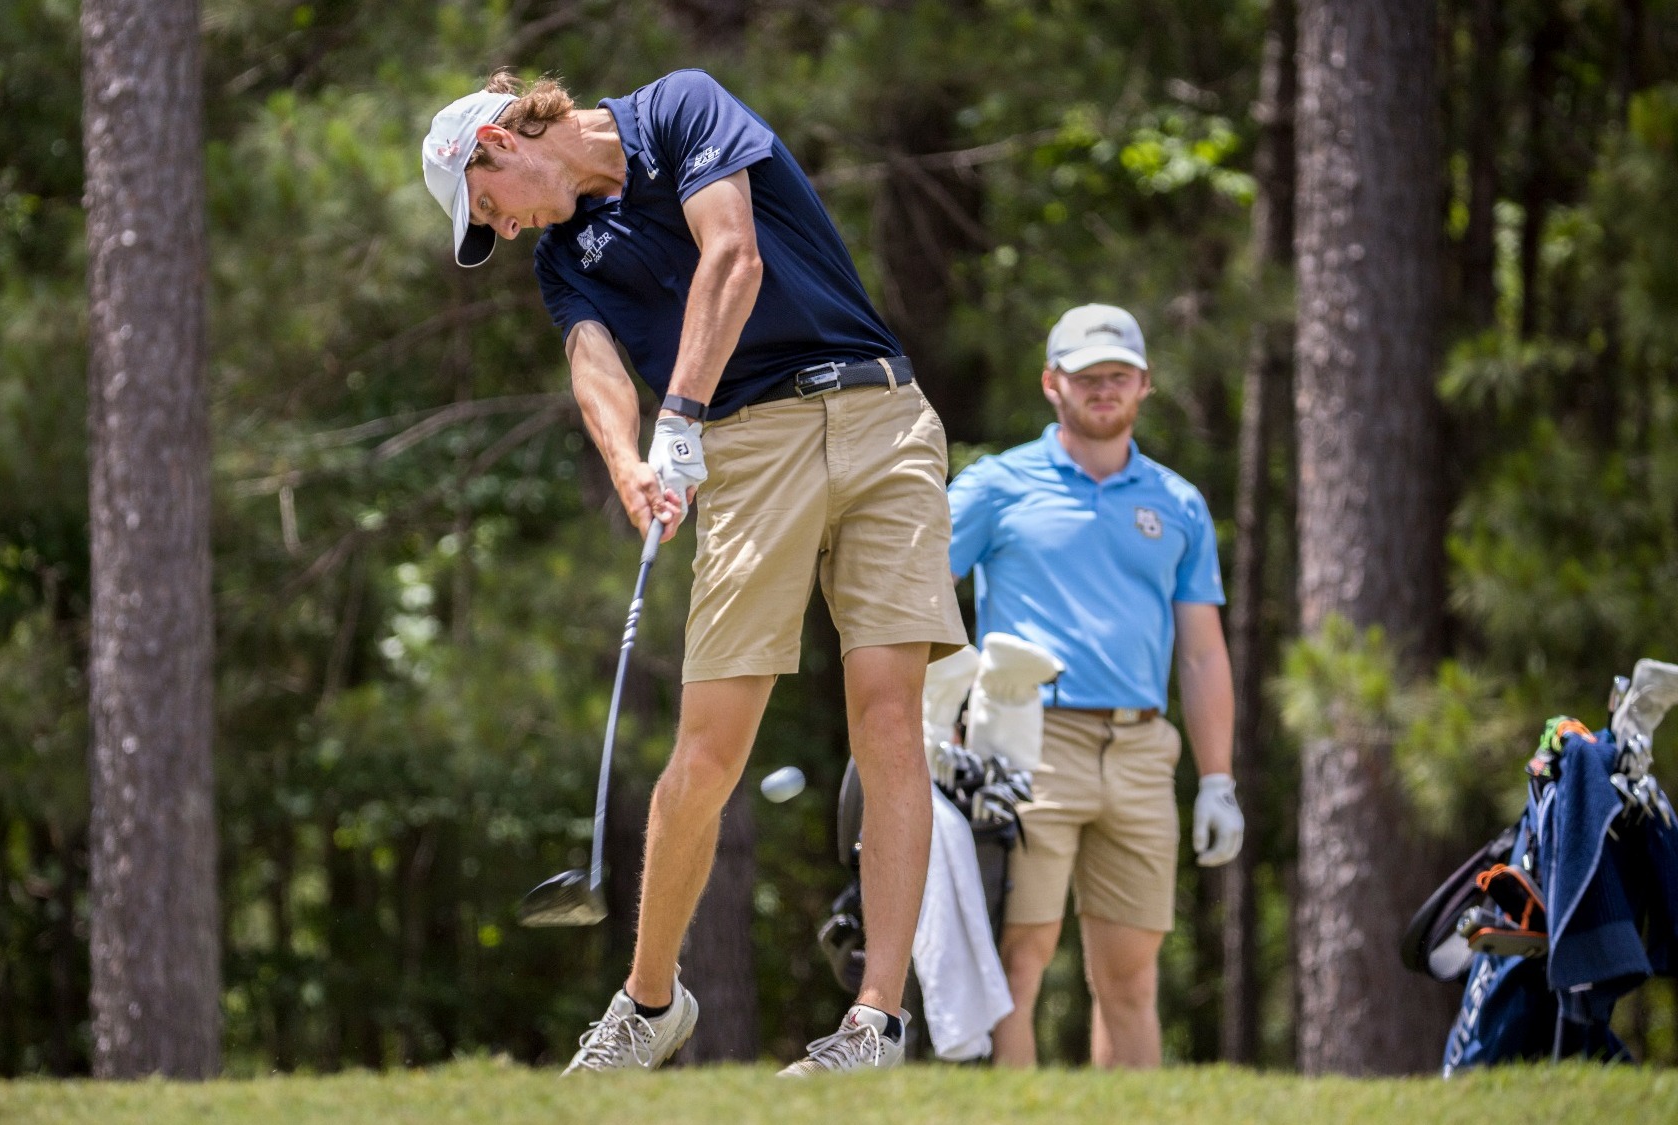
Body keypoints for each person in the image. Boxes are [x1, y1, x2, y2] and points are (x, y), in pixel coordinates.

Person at [420, 69, 967, 1075]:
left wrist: (676, 415)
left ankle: (873, 1023)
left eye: (488, 207)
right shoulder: (562, 259)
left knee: (888, 718)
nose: (498, 229)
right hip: (750, 450)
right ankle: (649, 1001)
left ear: (499, 143)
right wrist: (630, 464)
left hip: (880, 415)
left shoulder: (678, 111)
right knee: (706, 749)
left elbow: (734, 257)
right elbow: (592, 364)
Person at [945, 304, 1245, 1068]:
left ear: (1144, 384)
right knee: (1021, 956)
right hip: (1027, 739)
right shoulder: (995, 485)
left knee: (1132, 975)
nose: (1103, 390)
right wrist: (943, 700)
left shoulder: (1178, 503)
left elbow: (1204, 654)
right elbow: (910, 590)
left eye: (1118, 376)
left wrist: (1217, 780)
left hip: (1143, 749)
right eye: (1087, 377)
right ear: (1053, 383)